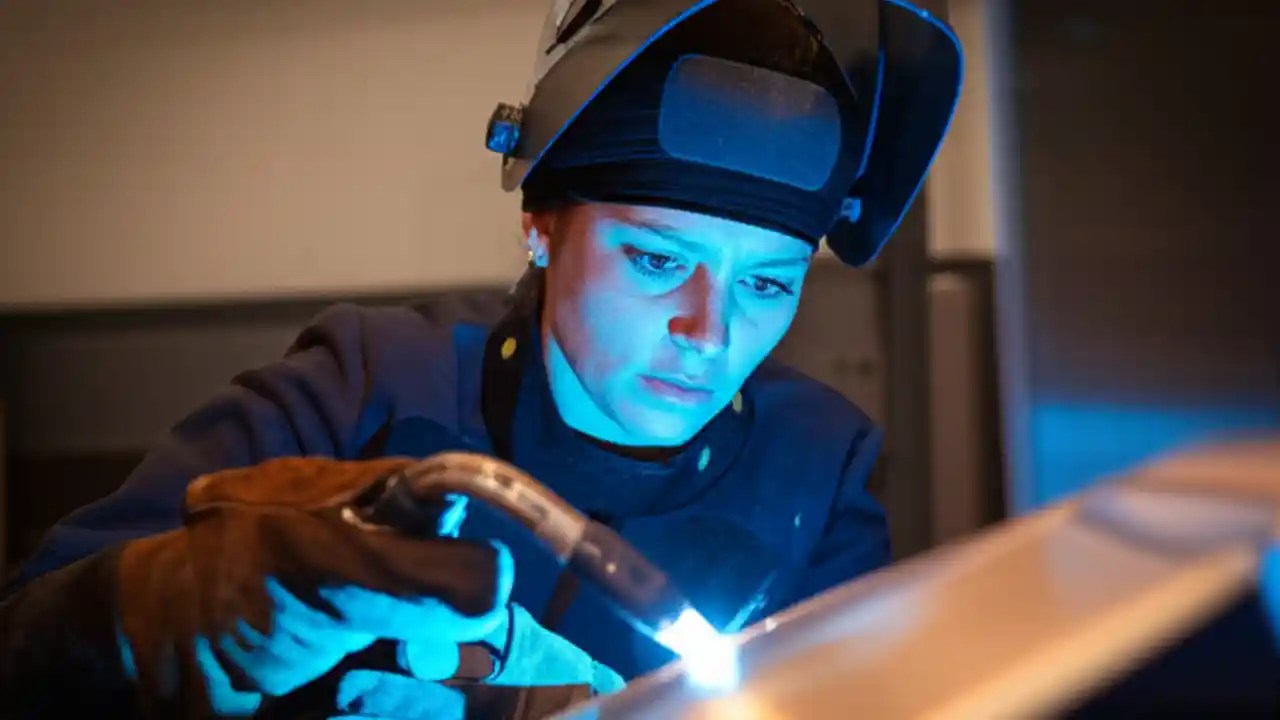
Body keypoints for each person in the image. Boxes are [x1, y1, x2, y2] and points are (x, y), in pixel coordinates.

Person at [0, 0, 962, 717]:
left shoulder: (821, 467)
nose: (708, 333)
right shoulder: (372, 382)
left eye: (767, 284)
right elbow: (21, 646)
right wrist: (182, 609)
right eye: (659, 259)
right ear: (541, 224)